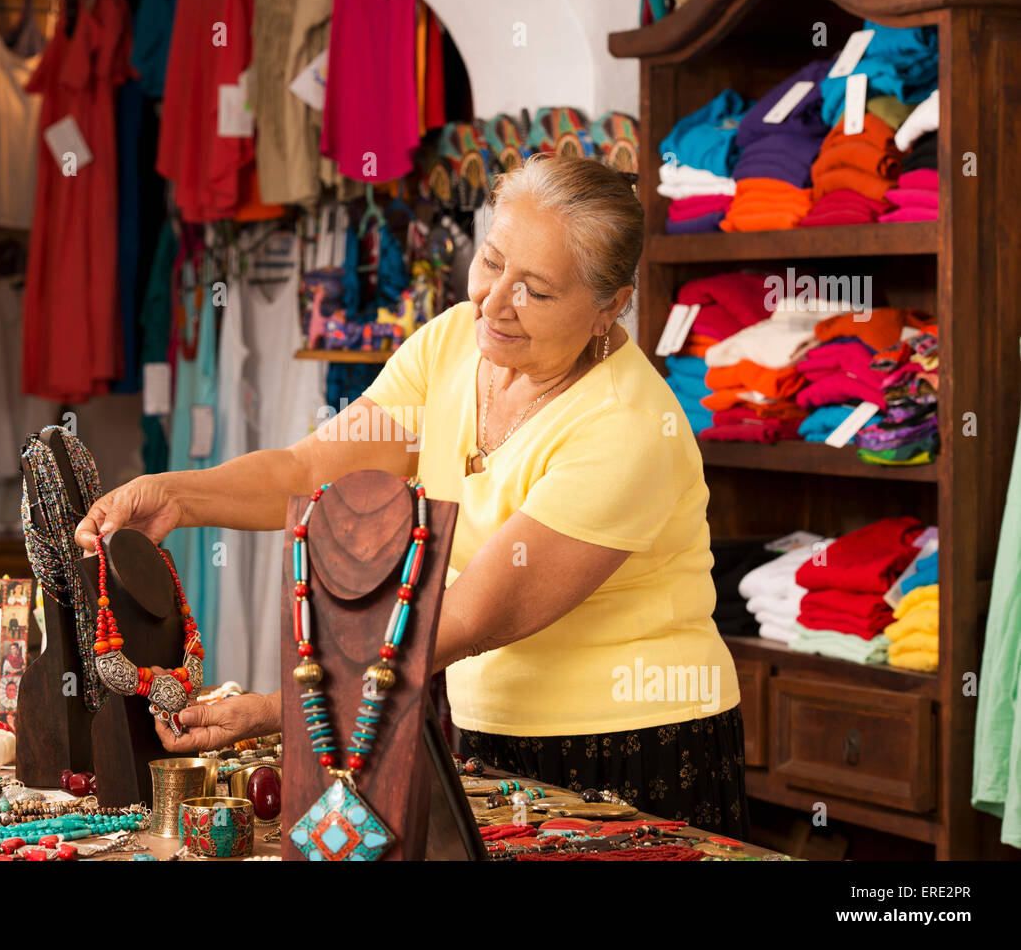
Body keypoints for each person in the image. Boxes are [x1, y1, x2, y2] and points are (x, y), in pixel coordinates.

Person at [75, 156, 748, 837]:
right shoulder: (455, 345)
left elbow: (465, 617)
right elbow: (312, 469)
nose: (492, 300)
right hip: (493, 739)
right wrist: (178, 496)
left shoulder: (626, 428)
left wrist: (282, 707)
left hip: (634, 745)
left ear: (610, 304)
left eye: (535, 291)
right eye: (491, 262)